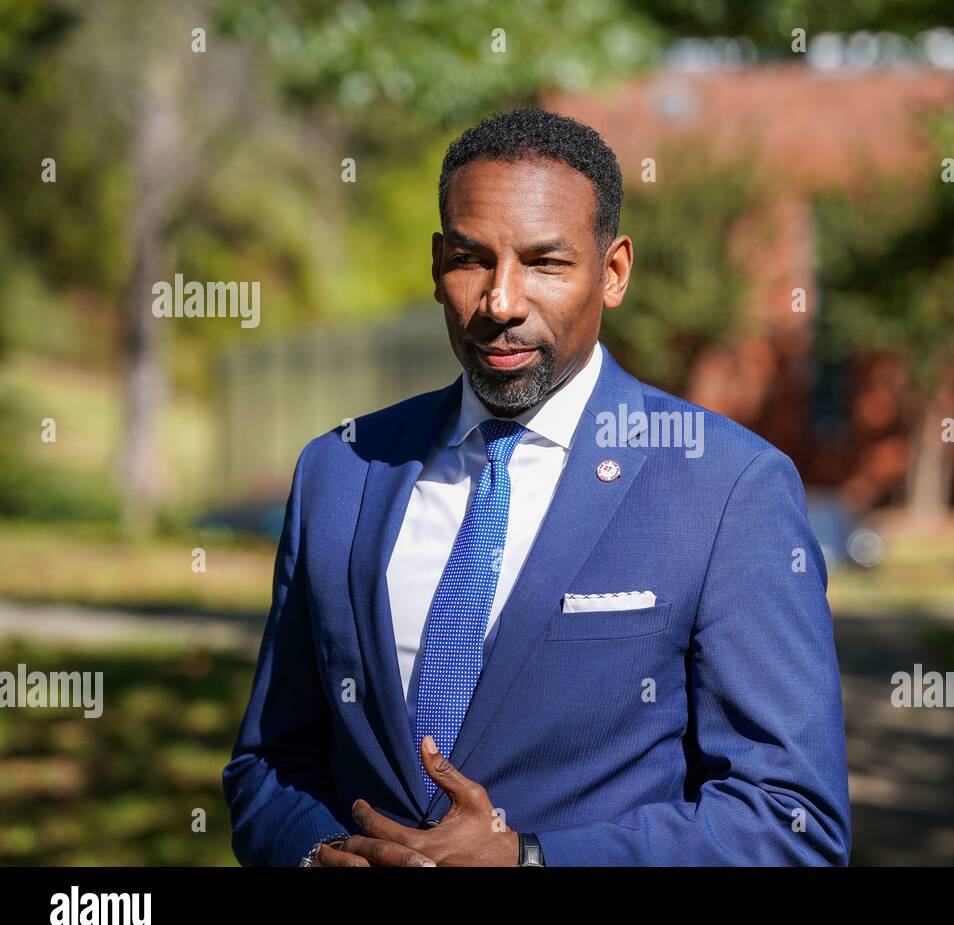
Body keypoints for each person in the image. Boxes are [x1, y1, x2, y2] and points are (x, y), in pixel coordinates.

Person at [222, 106, 851, 866]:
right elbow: (268, 762)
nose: (501, 302)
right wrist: (315, 851)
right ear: (435, 266)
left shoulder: (724, 486)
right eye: (471, 259)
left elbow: (792, 820)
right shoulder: (342, 470)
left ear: (613, 272)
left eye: (546, 263)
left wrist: (533, 859)